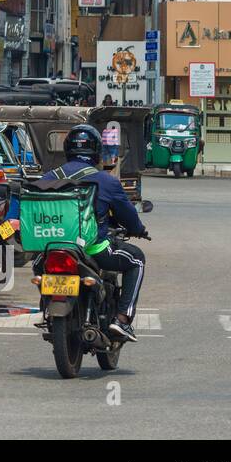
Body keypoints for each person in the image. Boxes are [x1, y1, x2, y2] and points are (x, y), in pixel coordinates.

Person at [40, 124, 150, 342]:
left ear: (67, 149)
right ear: (97, 152)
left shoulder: (49, 177)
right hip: (93, 248)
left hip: (50, 248)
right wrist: (138, 230)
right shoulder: (107, 181)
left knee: (39, 267)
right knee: (136, 259)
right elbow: (128, 217)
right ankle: (122, 320)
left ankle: (46, 310)